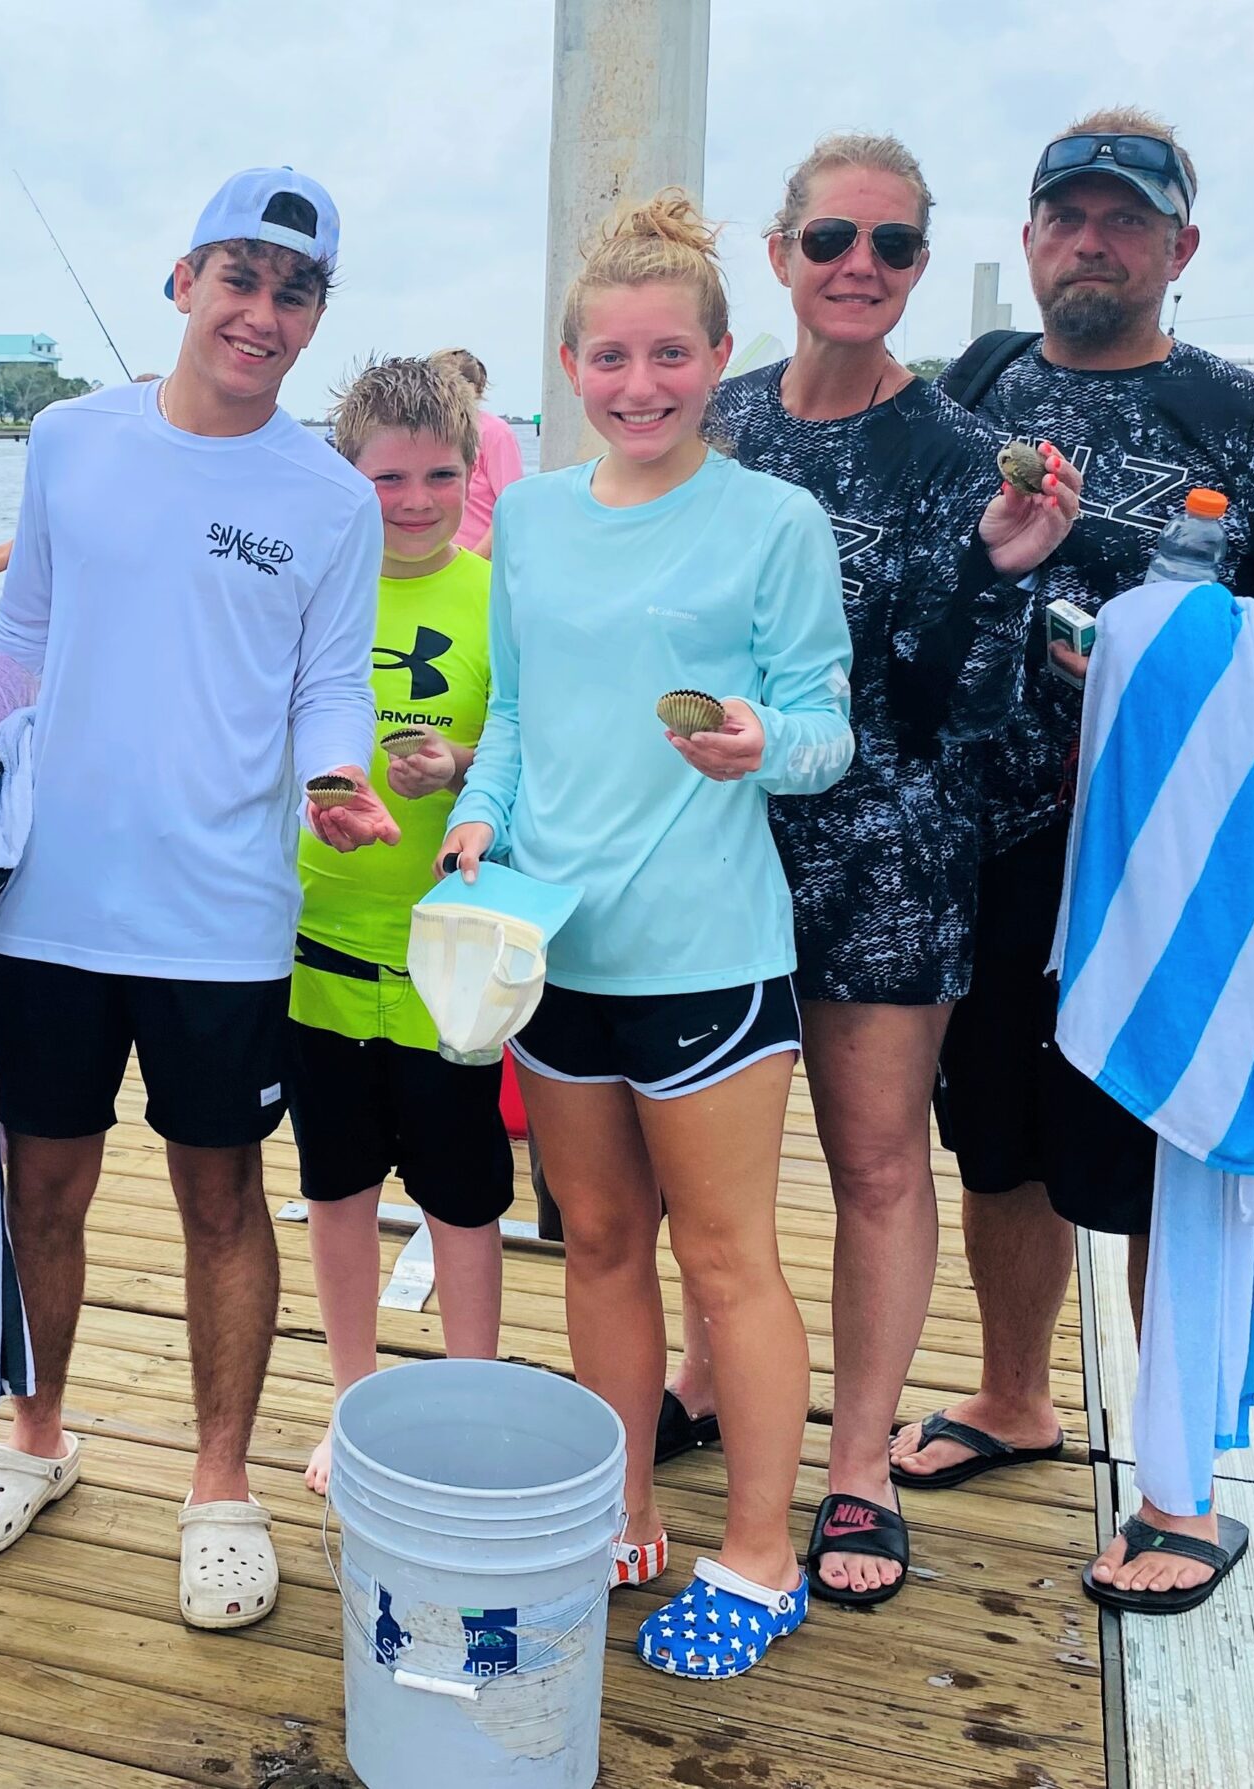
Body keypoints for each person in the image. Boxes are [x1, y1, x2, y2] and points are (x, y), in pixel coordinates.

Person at [907, 108, 1254, 1608]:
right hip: (996, 845)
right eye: (1069, 216)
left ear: (1180, 247)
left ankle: (1179, 1484)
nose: (1092, 242)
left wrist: (1173, 653)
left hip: (1170, 876)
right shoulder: (975, 387)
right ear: (1035, 233)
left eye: (1126, 221)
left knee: (1162, 1149)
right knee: (999, 1141)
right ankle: (1013, 1395)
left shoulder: (1248, 423)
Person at [0, 168, 393, 1632]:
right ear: (183, 281)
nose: (261, 310)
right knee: (42, 1184)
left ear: (314, 322)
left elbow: (328, 685)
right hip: (46, 899)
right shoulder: (66, 440)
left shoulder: (331, 497)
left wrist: (335, 779)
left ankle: (220, 1482)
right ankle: (41, 1439)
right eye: (239, 275)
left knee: (221, 1195)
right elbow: (21, 636)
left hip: (224, 918)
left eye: (295, 290)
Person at [441, 192, 853, 1679]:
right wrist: (478, 817)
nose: (638, 386)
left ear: (721, 357)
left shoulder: (773, 522)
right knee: (600, 1242)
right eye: (609, 358)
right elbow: (517, 719)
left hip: (709, 954)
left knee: (730, 1262)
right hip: (552, 945)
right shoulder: (535, 514)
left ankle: (760, 1551)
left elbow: (826, 726)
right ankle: (622, 1502)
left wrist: (763, 741)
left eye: (670, 356)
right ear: (568, 365)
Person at [674, 133, 1081, 1605]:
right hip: (713, 838)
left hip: (890, 856)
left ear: (918, 266)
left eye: (895, 247)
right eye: (833, 238)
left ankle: (853, 1473)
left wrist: (998, 568)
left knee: (876, 1159)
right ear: (780, 256)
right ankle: (707, 1373)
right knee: (701, 1162)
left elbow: (954, 706)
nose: (862, 267)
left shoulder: (966, 460)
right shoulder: (710, 421)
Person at [292, 357, 508, 1497]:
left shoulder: (496, 595)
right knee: (335, 1188)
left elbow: (527, 747)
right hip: (316, 954)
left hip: (453, 962)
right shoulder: (312, 591)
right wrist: (316, 804)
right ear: (346, 477)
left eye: (437, 474)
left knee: (462, 1191)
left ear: (470, 473)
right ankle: (354, 1402)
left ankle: (470, 1398)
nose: (414, 498)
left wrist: (465, 765)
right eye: (387, 477)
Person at [432, 347, 526, 554]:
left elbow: (512, 506)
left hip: (481, 564)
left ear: (476, 390)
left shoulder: (495, 433)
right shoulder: (429, 434)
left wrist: (475, 562)